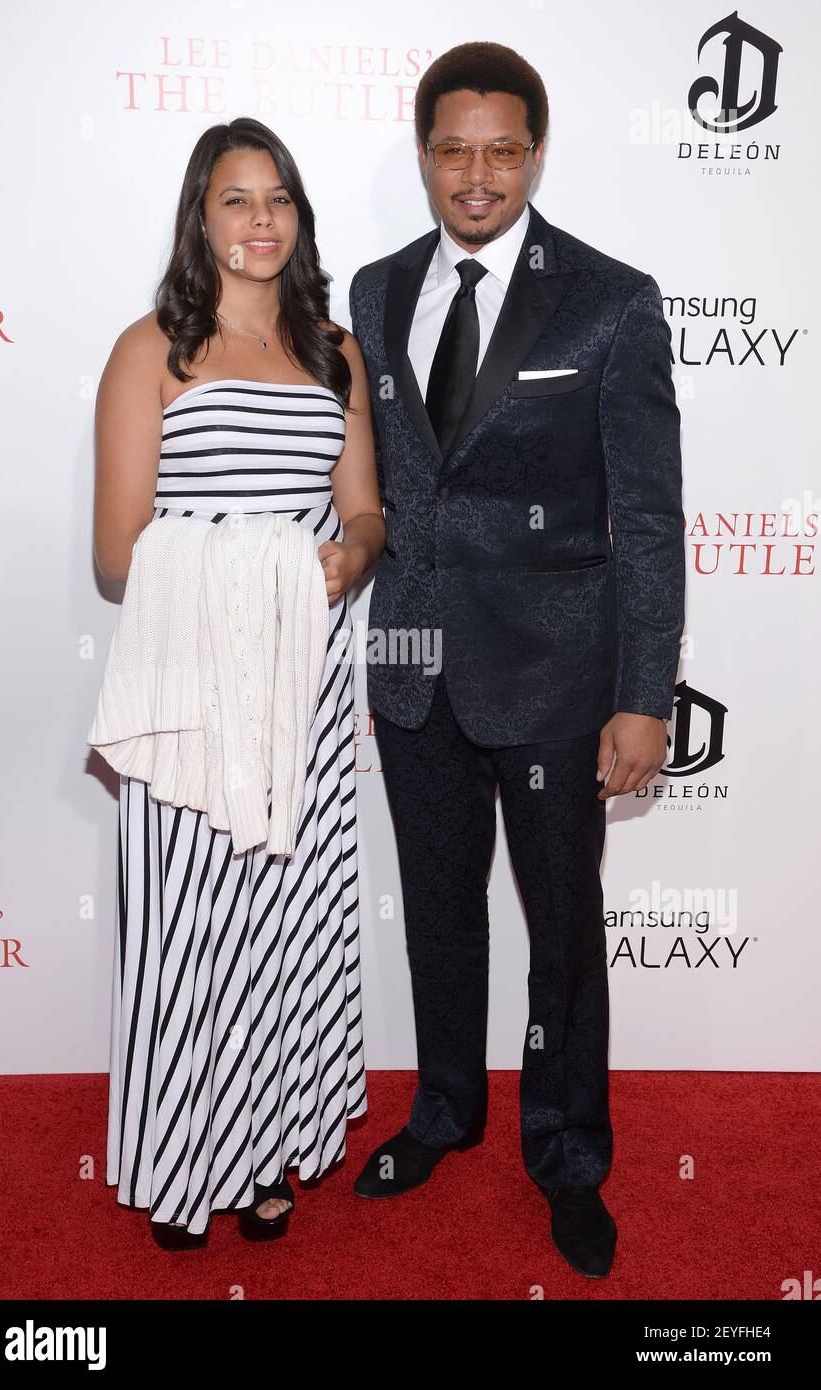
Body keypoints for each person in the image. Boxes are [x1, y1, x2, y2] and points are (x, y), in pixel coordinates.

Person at [349, 41, 685, 1279]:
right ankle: (444, 1109)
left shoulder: (608, 297)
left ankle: (567, 1155)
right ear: (424, 152)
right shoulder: (376, 294)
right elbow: (379, 485)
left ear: (534, 152)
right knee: (438, 914)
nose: (476, 175)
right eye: (453, 150)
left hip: (554, 677)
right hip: (410, 661)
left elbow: (648, 516)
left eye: (501, 150)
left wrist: (642, 697)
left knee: (559, 930)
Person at [93, 116, 384, 1248]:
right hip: (187, 688)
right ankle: (180, 1158)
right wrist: (254, 558)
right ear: (200, 218)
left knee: (282, 924)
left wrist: (352, 556)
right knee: (191, 929)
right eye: (234, 201)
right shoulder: (149, 352)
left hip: (301, 692)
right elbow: (119, 552)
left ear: (299, 217)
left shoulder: (333, 349)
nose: (259, 221)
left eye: (278, 200)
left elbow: (362, 510)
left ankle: (264, 1144)